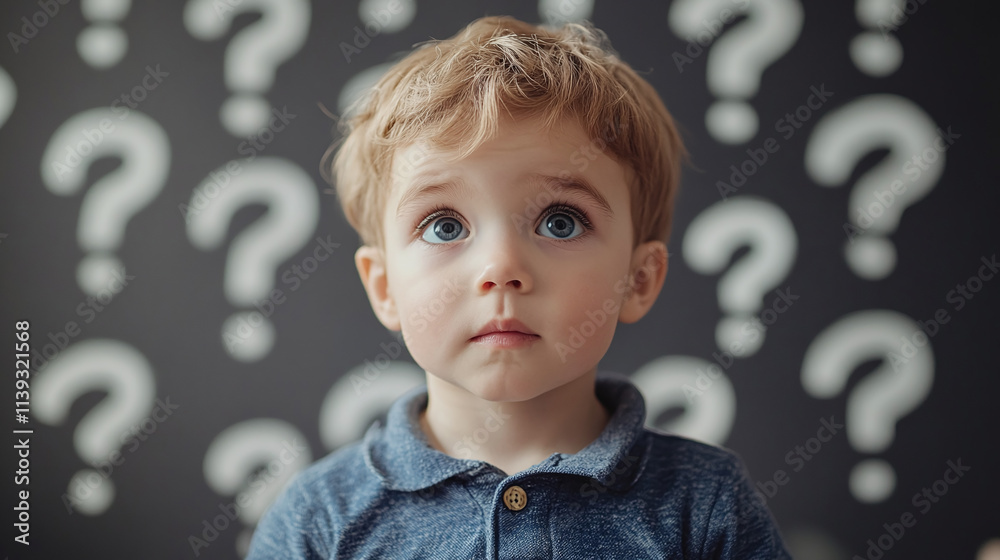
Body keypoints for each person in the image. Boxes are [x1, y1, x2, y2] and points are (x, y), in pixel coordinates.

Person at [247, 15, 791, 559]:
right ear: (385, 286)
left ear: (637, 280)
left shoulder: (706, 504)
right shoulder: (317, 520)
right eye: (445, 226)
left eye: (560, 221)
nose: (501, 267)